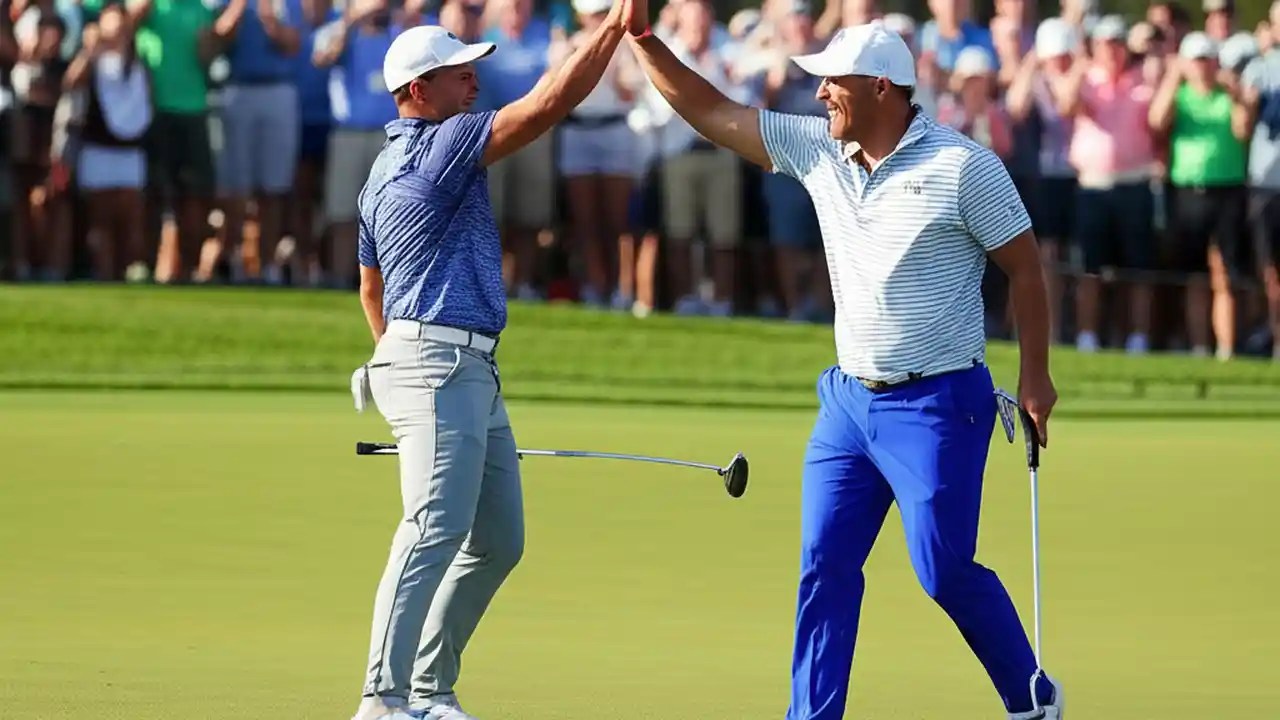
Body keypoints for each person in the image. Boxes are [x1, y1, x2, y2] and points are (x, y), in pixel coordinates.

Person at [624, 14, 1064, 720]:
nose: (821, 91)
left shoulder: (963, 166)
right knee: (825, 566)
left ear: (881, 87)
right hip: (847, 406)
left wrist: (1035, 375)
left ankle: (1030, 696)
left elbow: (1026, 270)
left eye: (834, 80)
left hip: (940, 404)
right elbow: (710, 110)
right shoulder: (818, 150)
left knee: (943, 570)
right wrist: (643, 38)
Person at [349, 4, 628, 718]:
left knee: (499, 539)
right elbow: (545, 107)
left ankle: (429, 690)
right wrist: (617, 27)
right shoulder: (437, 145)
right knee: (433, 527)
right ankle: (381, 698)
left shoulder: (382, 168)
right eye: (455, 73)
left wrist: (388, 356)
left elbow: (370, 286)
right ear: (417, 91)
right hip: (438, 367)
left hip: (459, 368)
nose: (472, 81)